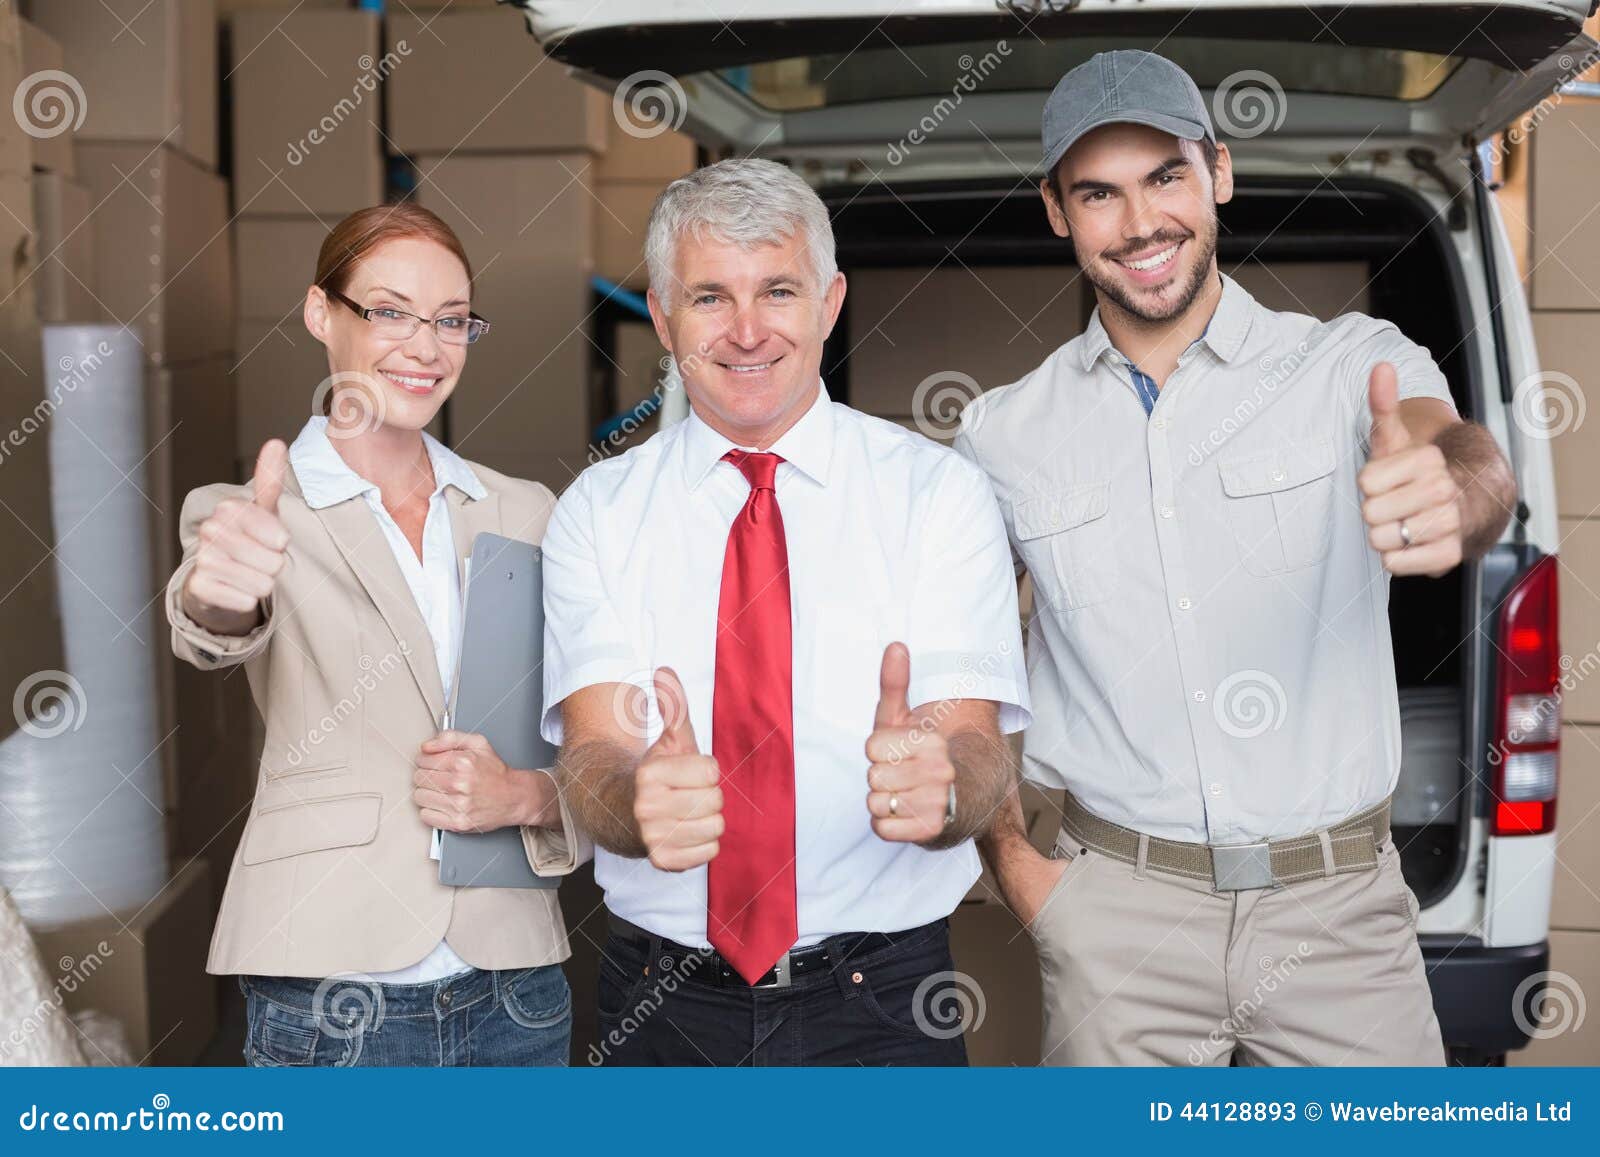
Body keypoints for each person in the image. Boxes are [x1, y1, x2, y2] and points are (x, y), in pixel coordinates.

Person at [958, 51, 1516, 1067]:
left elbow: (1458, 456)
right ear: (1055, 210)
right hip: (1114, 916)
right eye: (1098, 193)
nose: (1139, 224)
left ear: (1217, 170)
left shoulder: (1351, 362)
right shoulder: (1002, 432)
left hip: (1339, 916)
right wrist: (1012, 862)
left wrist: (1450, 487)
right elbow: (967, 671)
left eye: (1164, 176)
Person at [541, 158, 1030, 1066]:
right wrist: (634, 802)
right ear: (660, 315)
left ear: (830, 302)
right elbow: (593, 756)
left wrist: (949, 787)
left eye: (778, 290)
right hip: (663, 1003)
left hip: (884, 1000)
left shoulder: (939, 495)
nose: (749, 330)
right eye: (710, 298)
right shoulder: (597, 512)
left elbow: (978, 748)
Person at [165, 203, 588, 1066]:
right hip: (328, 982)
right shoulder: (248, 512)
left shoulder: (525, 512)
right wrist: (219, 595)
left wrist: (532, 799)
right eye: (390, 311)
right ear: (323, 313)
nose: (426, 347)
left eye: (451, 320)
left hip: (513, 979)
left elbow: (589, 732)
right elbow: (214, 624)